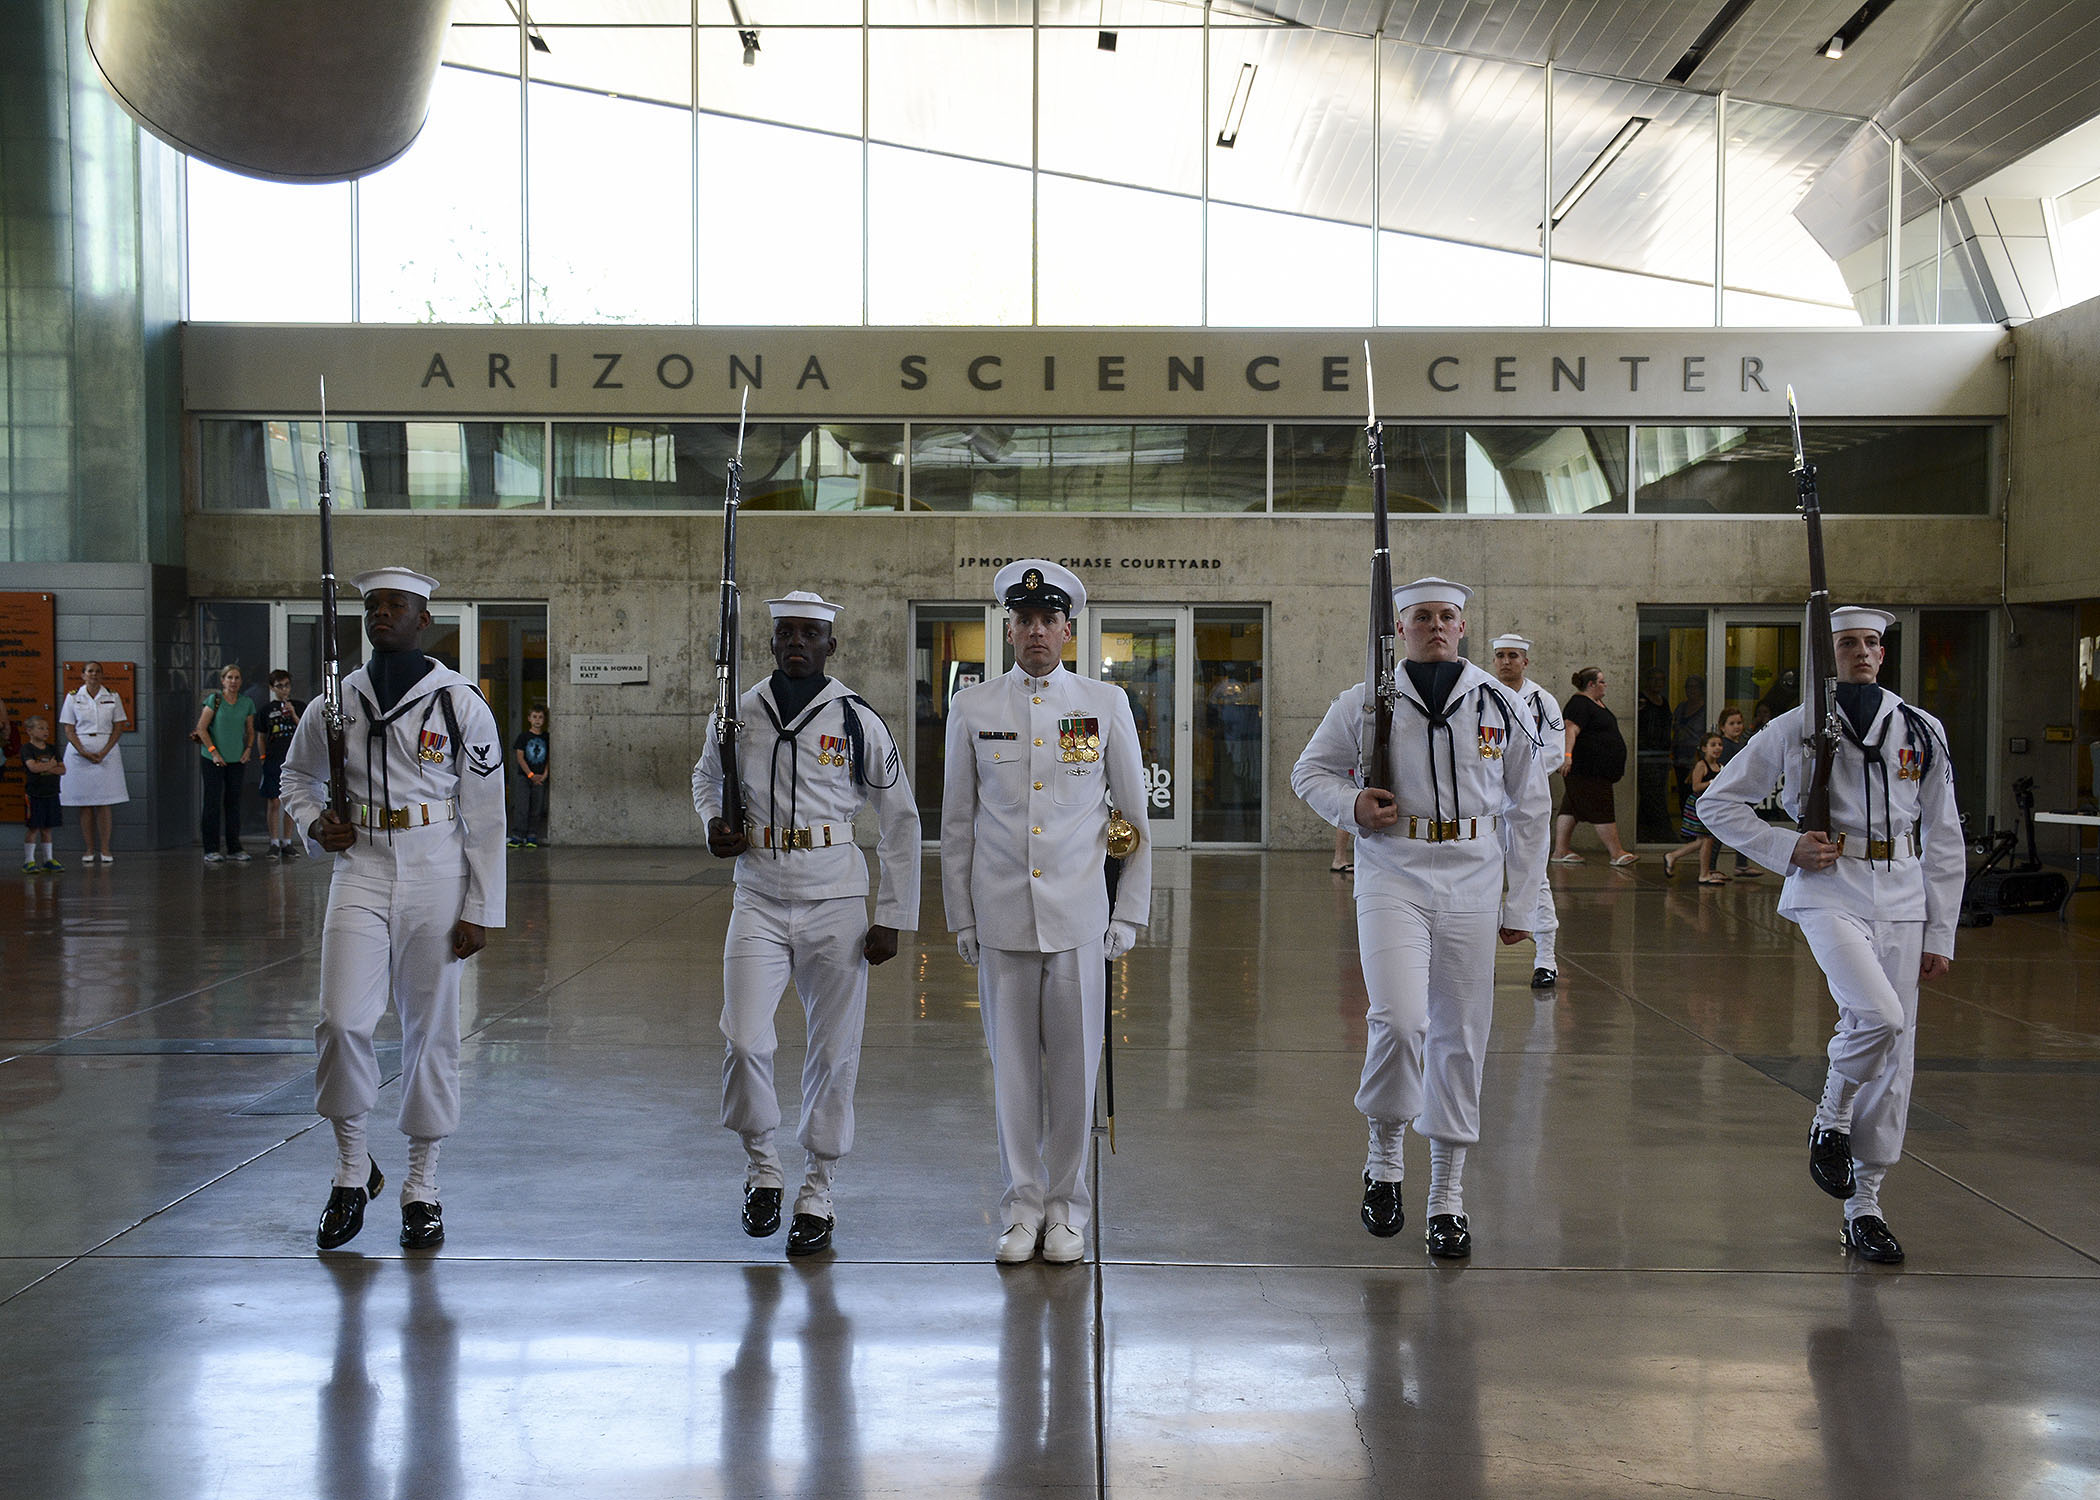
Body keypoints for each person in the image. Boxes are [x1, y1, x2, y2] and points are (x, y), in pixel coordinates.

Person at [1292, 579, 1551, 1259]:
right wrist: (1352, 806)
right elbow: (1310, 772)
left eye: (1446, 617)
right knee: (1400, 1019)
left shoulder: (1499, 702)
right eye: (1420, 617)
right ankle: (1383, 1155)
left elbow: (1530, 805)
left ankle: (1447, 1197)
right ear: (1400, 628)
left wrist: (1522, 903)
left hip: (1473, 871)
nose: (1435, 627)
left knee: (1461, 1036)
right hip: (1392, 868)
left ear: (1463, 627)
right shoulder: (1364, 701)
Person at [1701, 607, 1963, 1266]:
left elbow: (1945, 833)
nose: (1865, 653)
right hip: (1830, 890)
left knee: (1894, 1053)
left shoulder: (1920, 729)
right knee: (1875, 1015)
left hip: (1903, 895)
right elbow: (1716, 803)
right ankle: (1830, 1115)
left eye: (1874, 643)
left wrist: (1943, 927)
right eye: (1849, 644)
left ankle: (1864, 1206)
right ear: (1828, 655)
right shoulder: (1794, 728)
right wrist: (1787, 847)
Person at [280, 568, 507, 1252]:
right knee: (341, 1022)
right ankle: (352, 1170)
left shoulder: (459, 703)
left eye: (396, 604)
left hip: (437, 868)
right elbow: (298, 777)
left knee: (430, 1032)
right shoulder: (335, 701)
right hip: (362, 868)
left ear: (424, 620)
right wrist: (316, 823)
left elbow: (488, 814)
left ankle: (422, 1185)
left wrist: (481, 906)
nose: (382, 613)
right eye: (373, 604)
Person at [693, 590, 920, 1259]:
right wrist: (712, 821)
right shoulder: (739, 712)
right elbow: (707, 778)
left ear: (830, 644)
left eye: (809, 634)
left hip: (836, 900)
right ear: (771, 643)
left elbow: (900, 818)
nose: (796, 643)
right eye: (785, 633)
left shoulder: (856, 719)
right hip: (758, 895)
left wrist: (893, 916)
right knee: (742, 1036)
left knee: (832, 1053)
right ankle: (762, 1166)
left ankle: (818, 1190)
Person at [942, 559, 1153, 1266]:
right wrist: (962, 918)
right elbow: (960, 823)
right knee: (1011, 1077)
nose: (1036, 631)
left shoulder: (1102, 704)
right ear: (1008, 629)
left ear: (1068, 629)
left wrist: (1127, 913)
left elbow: (1132, 818)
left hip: (1077, 922)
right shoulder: (973, 709)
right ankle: (1021, 1207)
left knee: (1073, 1071)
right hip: (1002, 919)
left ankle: (1066, 1209)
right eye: (1024, 620)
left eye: (1048, 620)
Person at [1490, 632, 1565, 989]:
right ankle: (1474, 960)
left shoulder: (1542, 700)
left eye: (1513, 656)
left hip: (1528, 800)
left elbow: (1554, 748)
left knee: (1535, 876)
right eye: (1501, 655)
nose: (1506, 661)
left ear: (1525, 661)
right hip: (1488, 803)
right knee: (1483, 877)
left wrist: (1520, 773)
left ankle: (1546, 959)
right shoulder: (1483, 697)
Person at [1550, 667, 1636, 866]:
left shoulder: (1595, 703)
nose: (1605, 685)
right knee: (1601, 806)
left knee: (1570, 808)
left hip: (1595, 770)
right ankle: (1616, 853)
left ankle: (1561, 851)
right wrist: (1567, 756)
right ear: (1591, 684)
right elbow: (1570, 729)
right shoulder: (1579, 703)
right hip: (1587, 770)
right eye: (1602, 681)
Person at [58, 661, 127, 864]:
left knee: (105, 802)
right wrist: (84, 752)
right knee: (85, 803)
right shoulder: (73, 697)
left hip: (107, 749)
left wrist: (104, 751)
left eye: (97, 672)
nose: (94, 675)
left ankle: (105, 848)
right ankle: (89, 848)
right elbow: (69, 729)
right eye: (90, 671)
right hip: (80, 750)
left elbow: (118, 727)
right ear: (83, 675)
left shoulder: (112, 696)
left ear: (102, 675)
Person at [192, 664, 258, 863]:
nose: (233, 681)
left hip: (236, 758)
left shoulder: (246, 702)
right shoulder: (215, 700)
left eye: (237, 678)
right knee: (212, 802)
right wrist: (214, 752)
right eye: (229, 677)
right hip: (214, 759)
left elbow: (250, 730)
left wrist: (248, 749)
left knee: (233, 803)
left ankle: (234, 847)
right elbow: (201, 729)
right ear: (223, 680)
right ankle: (211, 848)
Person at [1662, 732, 1728, 884]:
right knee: (1707, 839)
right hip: (1699, 804)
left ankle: (1672, 856)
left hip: (1712, 805)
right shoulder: (1701, 765)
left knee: (1702, 841)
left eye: (1719, 744)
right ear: (1704, 748)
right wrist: (1712, 782)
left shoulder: (1720, 766)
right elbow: (1696, 786)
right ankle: (1704, 873)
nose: (1717, 748)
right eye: (1713, 745)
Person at [260, 670, 305, 858]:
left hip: (292, 759)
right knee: (274, 801)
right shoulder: (266, 710)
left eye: (286, 685)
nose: (284, 689)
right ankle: (273, 841)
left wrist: (293, 713)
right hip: (273, 759)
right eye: (279, 686)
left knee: (289, 801)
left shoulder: (299, 706)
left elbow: (304, 728)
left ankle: (287, 841)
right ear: (272, 688)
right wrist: (263, 757)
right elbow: (261, 736)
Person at [21, 717, 65, 873]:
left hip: (51, 793)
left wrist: (46, 768)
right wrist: (50, 765)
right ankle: (29, 860)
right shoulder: (27, 749)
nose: (45, 731)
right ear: (30, 731)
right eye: (40, 728)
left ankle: (48, 859)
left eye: (46, 728)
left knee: (47, 828)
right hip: (35, 794)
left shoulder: (52, 749)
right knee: (34, 827)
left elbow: (62, 769)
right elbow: (33, 768)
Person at [1635, 667, 1674, 843]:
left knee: (1655, 794)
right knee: (1653, 794)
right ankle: (1663, 833)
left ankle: (1646, 833)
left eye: (1662, 680)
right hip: (1645, 755)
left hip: (1662, 754)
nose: (1658, 683)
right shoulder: (1641, 700)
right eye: (1655, 679)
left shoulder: (1663, 702)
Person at [508, 705, 551, 849]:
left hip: (541, 778)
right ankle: (518, 835)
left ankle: (532, 835)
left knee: (536, 808)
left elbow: (550, 758)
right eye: (534, 717)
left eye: (540, 717)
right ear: (529, 719)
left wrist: (544, 775)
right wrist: (530, 775)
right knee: (522, 806)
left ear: (544, 720)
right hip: (524, 777)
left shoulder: (547, 738)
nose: (537, 720)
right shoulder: (524, 737)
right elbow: (520, 757)